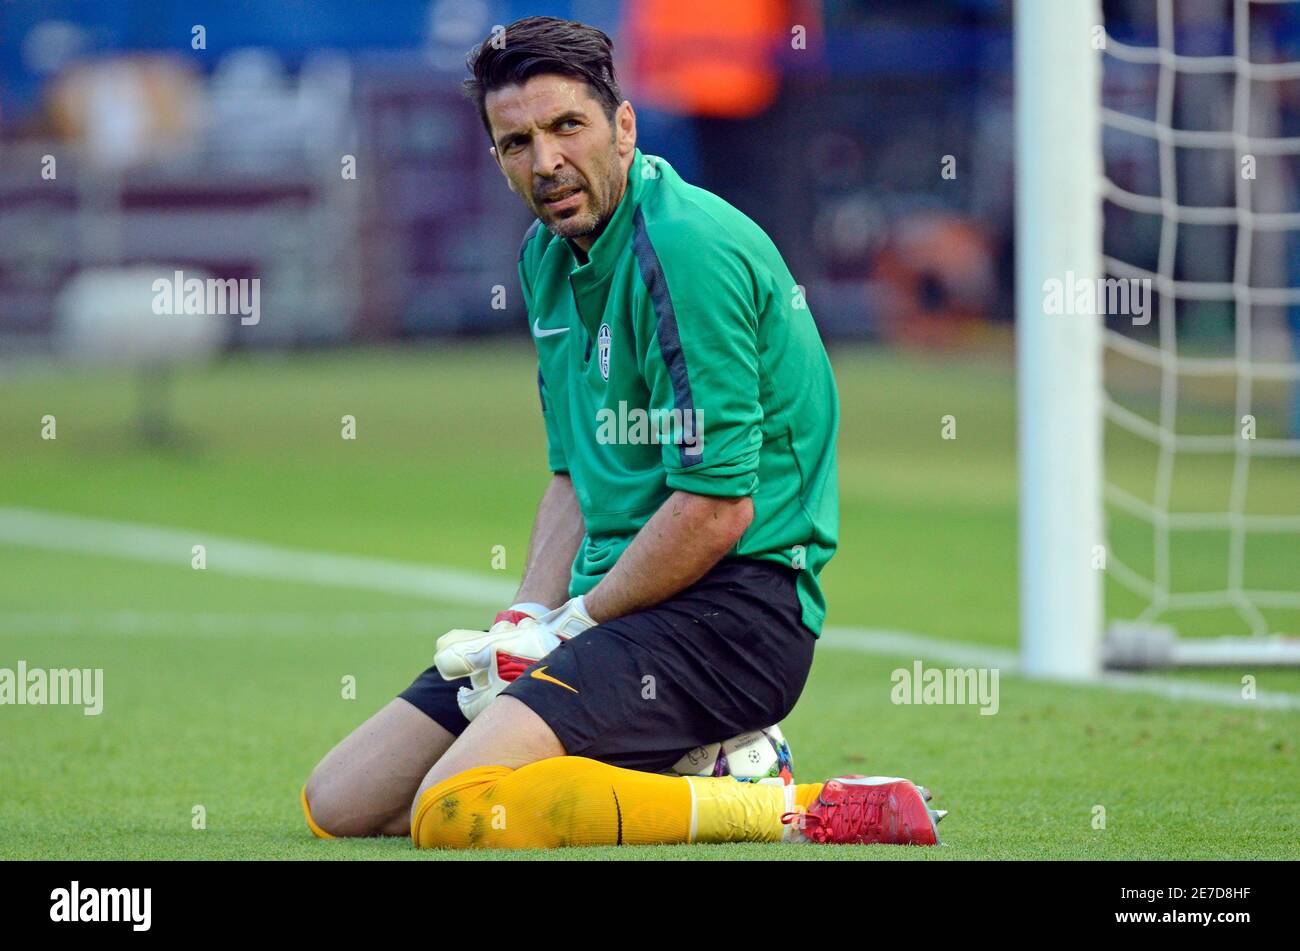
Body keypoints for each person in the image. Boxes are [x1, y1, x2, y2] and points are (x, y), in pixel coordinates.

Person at [303, 15, 943, 849]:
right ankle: (690, 763)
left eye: (568, 126)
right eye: (516, 142)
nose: (545, 162)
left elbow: (718, 508)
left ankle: (783, 801)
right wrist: (526, 616)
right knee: (340, 802)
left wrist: (572, 627)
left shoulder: (686, 248)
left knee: (456, 809)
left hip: (733, 612)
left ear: (625, 125)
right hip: (612, 608)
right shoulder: (546, 257)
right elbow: (573, 477)